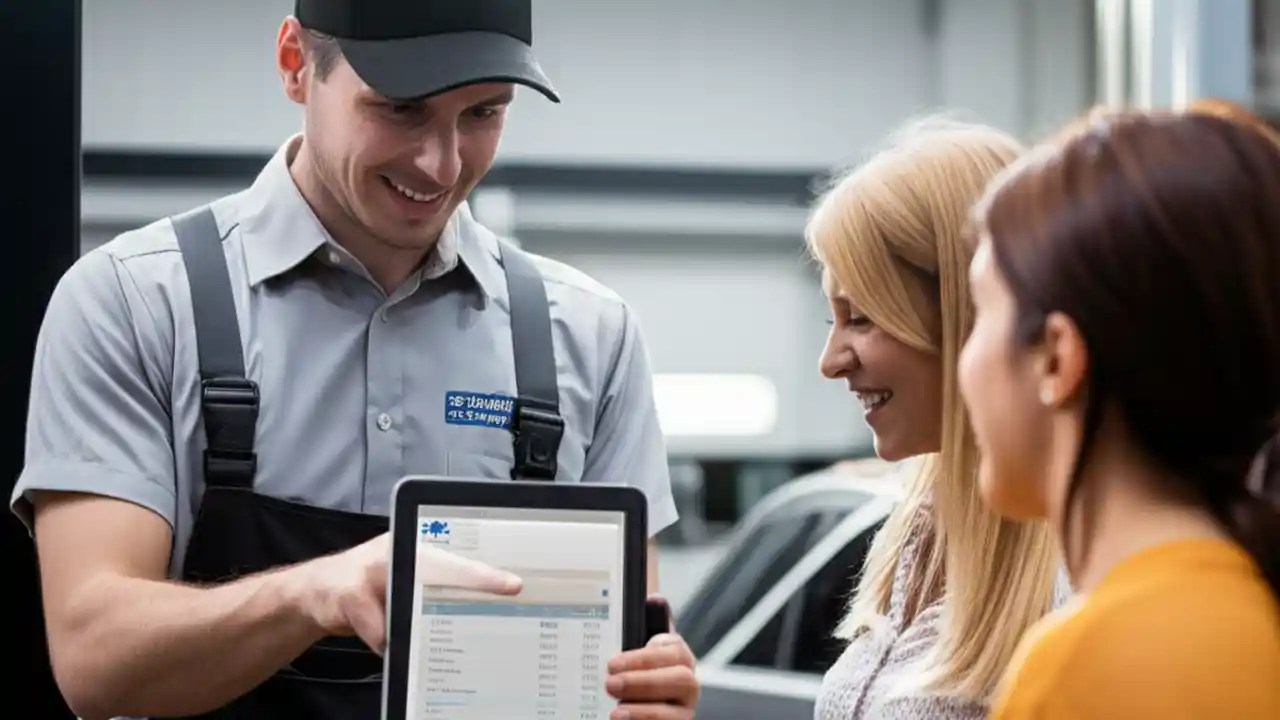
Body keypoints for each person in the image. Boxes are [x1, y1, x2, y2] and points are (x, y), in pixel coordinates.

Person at [12, 2, 698, 719]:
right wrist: (315, 594)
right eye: (401, 109)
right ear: (295, 63)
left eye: (483, 114)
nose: (443, 162)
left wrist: (650, 695)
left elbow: (621, 660)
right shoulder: (136, 301)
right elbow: (95, 658)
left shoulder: (590, 336)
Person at [960, 107, 1280, 718]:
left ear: (1056, 358)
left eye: (980, 314)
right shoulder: (1250, 609)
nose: (965, 362)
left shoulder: (1090, 658)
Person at [803, 117, 1065, 718]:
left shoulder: (1073, 573)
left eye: (861, 318)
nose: (830, 361)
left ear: (966, 316)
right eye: (831, 321)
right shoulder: (912, 537)